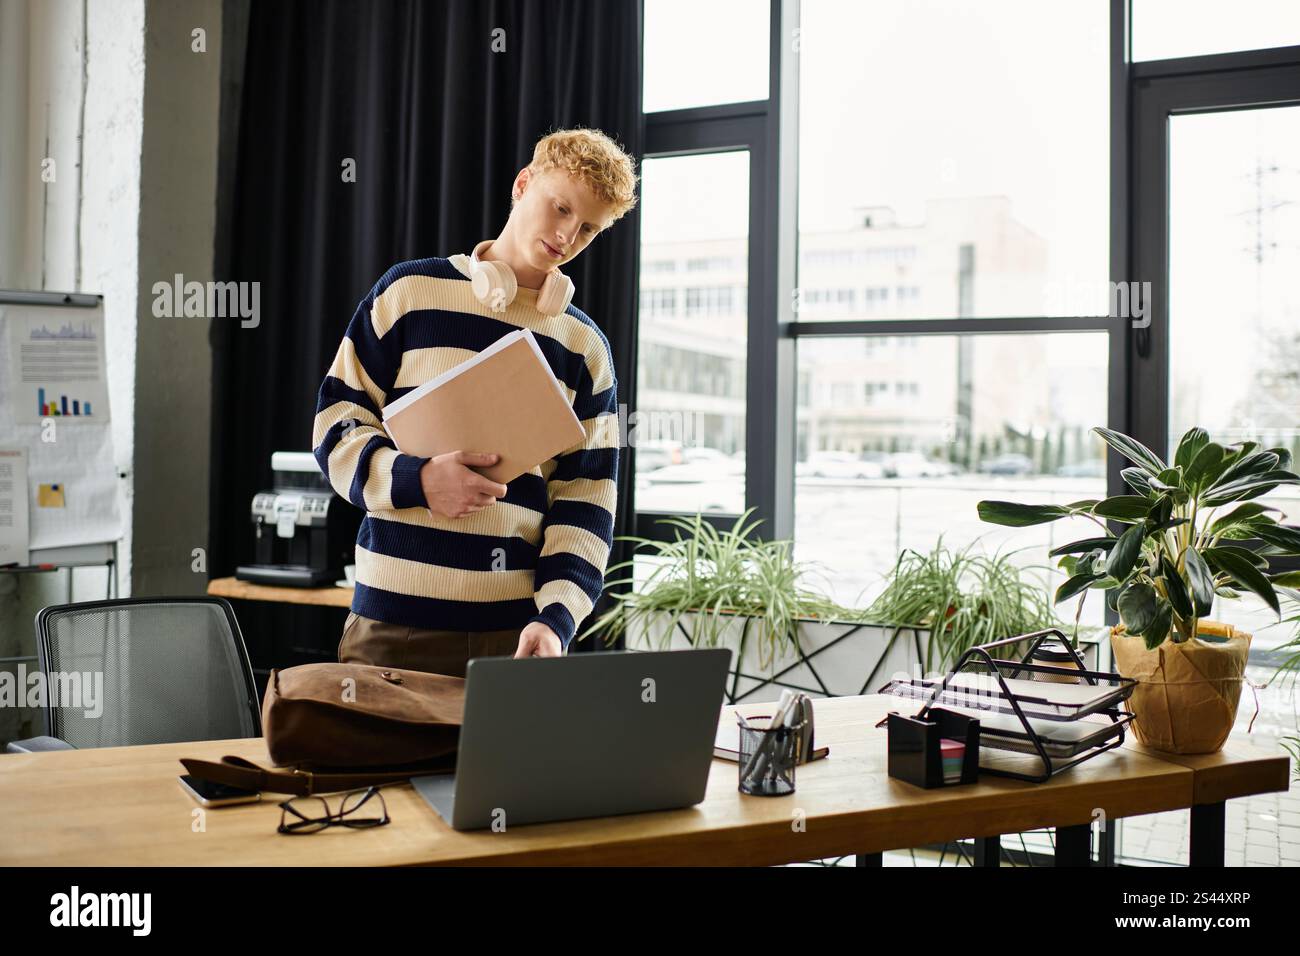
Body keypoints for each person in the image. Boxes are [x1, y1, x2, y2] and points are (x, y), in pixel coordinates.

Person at [312, 127, 638, 676]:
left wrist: (557, 619)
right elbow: (336, 425)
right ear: (522, 183)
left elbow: (586, 501)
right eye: (560, 208)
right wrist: (416, 479)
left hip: (513, 638)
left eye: (588, 228)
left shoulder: (584, 349)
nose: (567, 236)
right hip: (389, 626)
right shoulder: (407, 293)